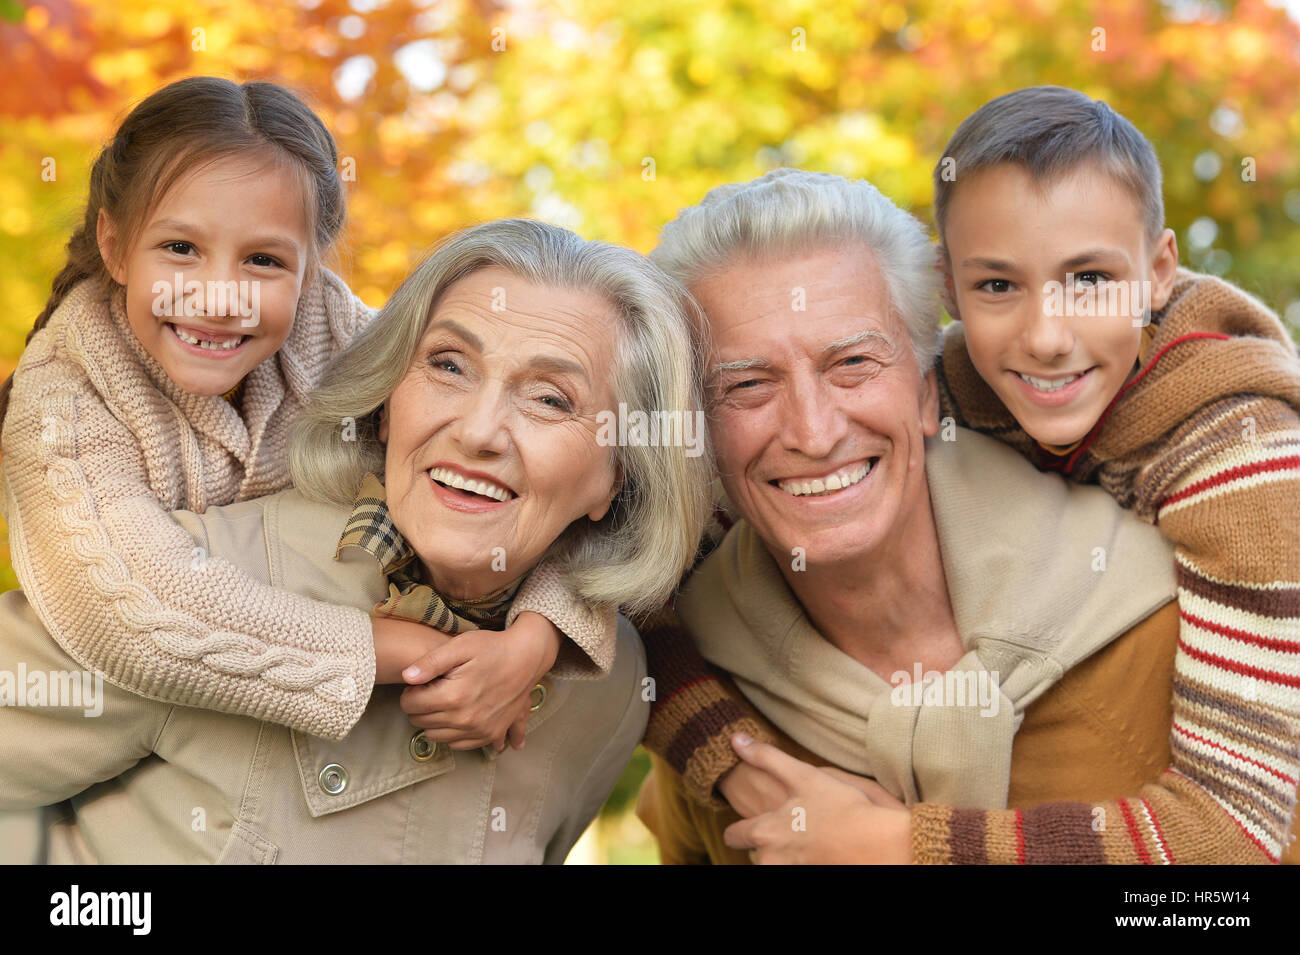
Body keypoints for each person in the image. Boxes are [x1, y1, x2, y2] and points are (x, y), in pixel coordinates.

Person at [635, 167, 1299, 864]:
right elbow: (607, 582)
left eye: (854, 363)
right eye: (747, 384)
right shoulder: (708, 684)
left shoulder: (1190, 623)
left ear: (928, 393)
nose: (814, 430)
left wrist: (906, 850)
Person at [0, 218, 713, 863]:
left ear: (618, 478)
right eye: (448, 365)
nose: (476, 430)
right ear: (382, 406)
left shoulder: (607, 692)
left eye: (551, 399)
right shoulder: (194, 588)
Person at [0, 76, 615, 755]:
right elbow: (127, 608)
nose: (217, 298)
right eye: (181, 250)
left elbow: (572, 488)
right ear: (114, 244)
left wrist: (535, 637)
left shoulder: (338, 335)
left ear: (310, 266)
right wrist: (393, 647)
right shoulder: (64, 402)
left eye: (263, 260)